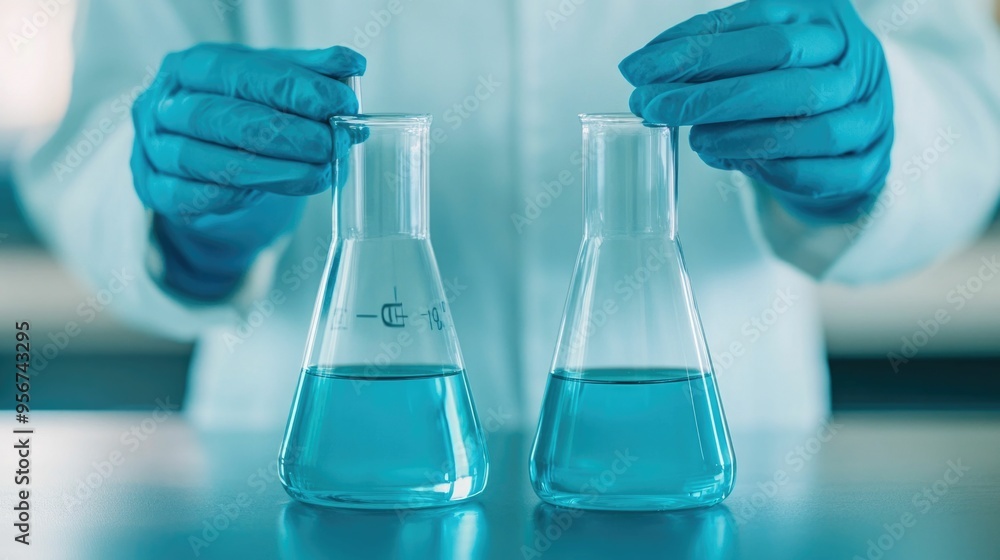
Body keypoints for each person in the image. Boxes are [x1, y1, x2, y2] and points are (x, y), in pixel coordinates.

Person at [14, 0, 1000, 430]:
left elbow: (967, 104)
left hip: (728, 447)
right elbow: (98, 126)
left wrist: (878, 135)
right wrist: (188, 226)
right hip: (301, 461)